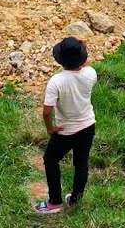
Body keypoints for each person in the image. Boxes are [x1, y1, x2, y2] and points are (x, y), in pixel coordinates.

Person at [35, 37, 97, 215]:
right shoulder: (90, 74)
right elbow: (85, 64)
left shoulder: (57, 81)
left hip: (65, 132)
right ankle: (75, 199)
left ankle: (55, 201)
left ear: (60, 59)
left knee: (50, 160)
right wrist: (82, 47)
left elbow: (47, 112)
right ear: (82, 58)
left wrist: (50, 128)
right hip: (88, 125)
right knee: (81, 163)